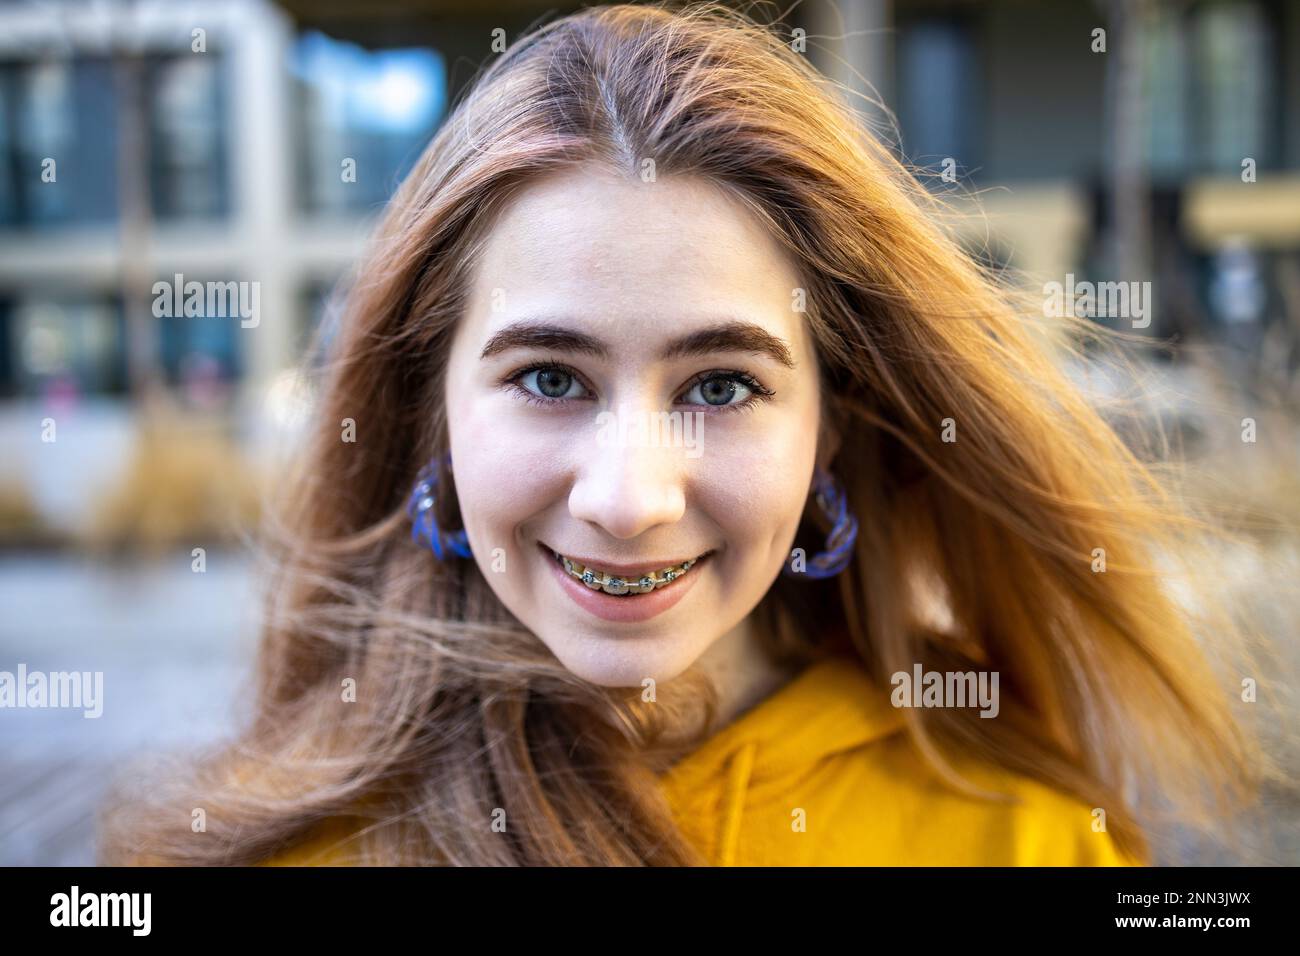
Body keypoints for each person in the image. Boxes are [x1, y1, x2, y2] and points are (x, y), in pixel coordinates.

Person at [101, 1, 1257, 867]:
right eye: (550, 374)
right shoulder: (289, 847)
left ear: (833, 424)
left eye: (720, 387)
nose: (628, 497)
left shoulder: (1021, 842)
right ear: (431, 408)